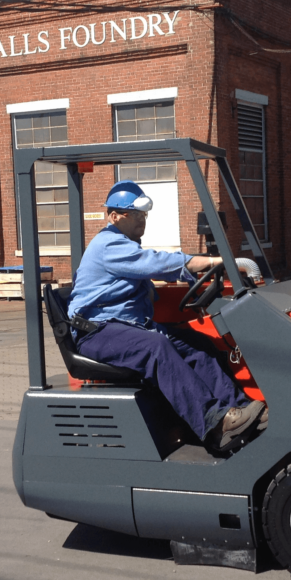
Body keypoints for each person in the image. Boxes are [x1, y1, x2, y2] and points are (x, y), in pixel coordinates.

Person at [67, 180, 266, 453]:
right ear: (114, 216)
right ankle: (213, 421)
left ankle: (241, 410)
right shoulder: (109, 244)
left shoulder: (126, 246)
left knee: (197, 343)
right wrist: (210, 262)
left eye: (143, 214)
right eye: (134, 214)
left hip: (129, 325)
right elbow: (158, 263)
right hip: (98, 331)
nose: (141, 219)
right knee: (157, 347)